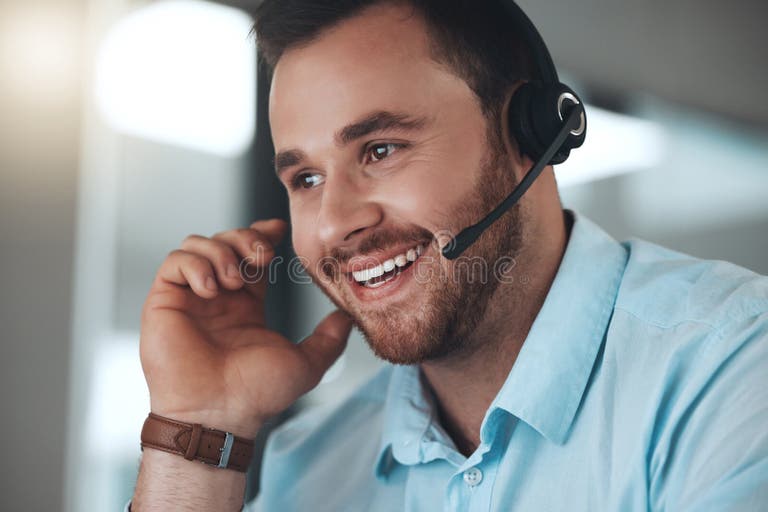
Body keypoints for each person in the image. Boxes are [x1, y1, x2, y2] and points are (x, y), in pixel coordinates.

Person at [130, 1, 768, 510]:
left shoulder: (733, 374)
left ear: (531, 133)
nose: (336, 225)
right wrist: (198, 429)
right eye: (306, 179)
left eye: (380, 150)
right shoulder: (313, 468)